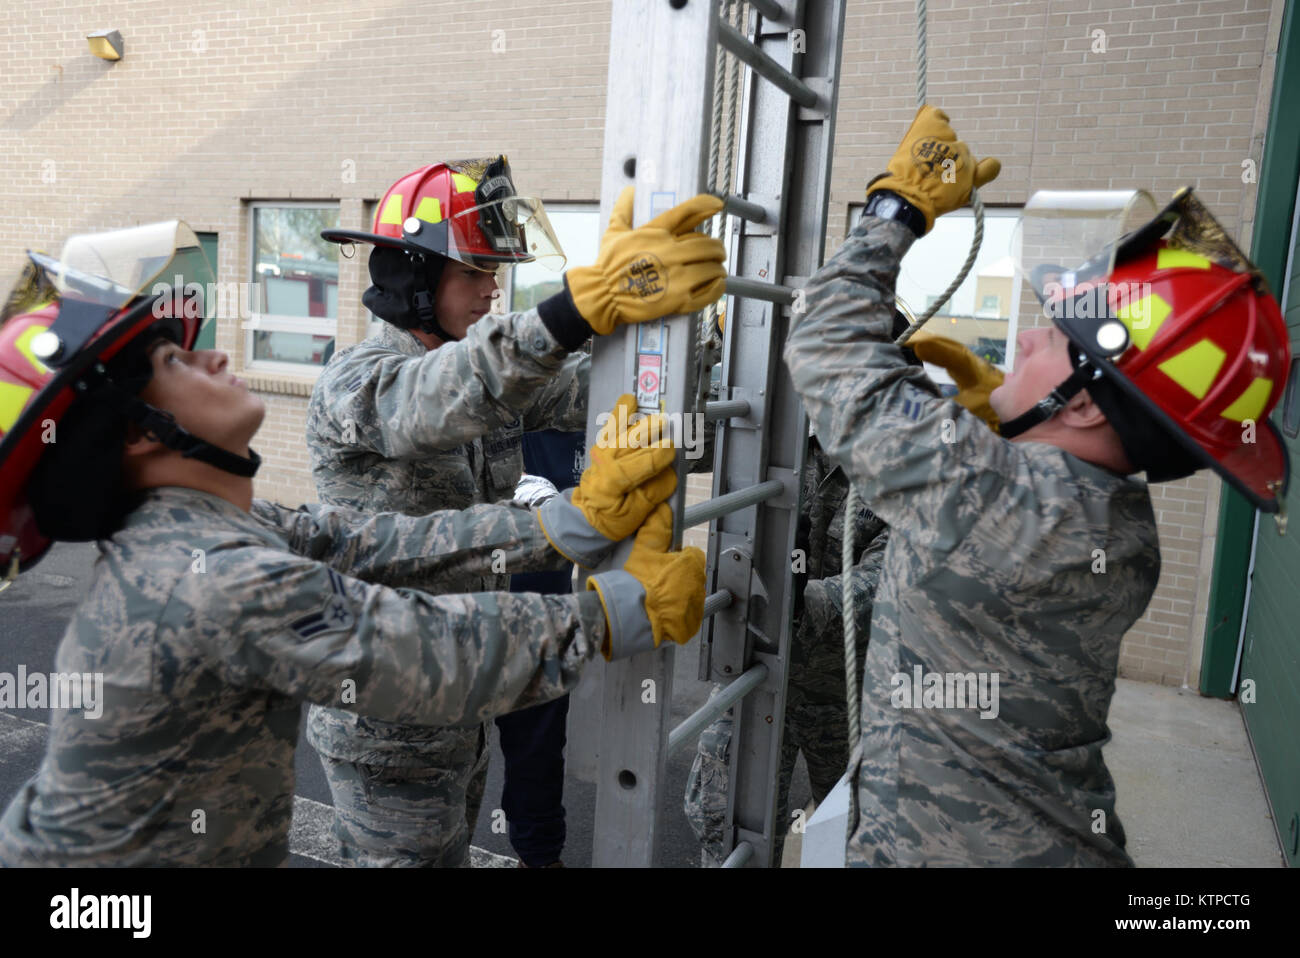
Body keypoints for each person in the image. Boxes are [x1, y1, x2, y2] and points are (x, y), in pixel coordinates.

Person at [0, 220, 706, 866]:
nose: (212, 356)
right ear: (136, 432)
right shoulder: (208, 577)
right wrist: (615, 612)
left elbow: (377, 541)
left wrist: (568, 527)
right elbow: (418, 648)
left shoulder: (205, 530)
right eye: (176, 364)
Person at [785, 105, 1291, 866]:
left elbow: (823, 342)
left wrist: (897, 210)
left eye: (1054, 336)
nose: (1024, 337)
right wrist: (998, 432)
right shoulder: (1119, 526)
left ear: (1084, 401)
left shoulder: (990, 492)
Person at [306, 157, 727, 866]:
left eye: (493, 272)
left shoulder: (493, 377)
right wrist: (573, 309)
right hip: (386, 723)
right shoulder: (360, 383)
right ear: (414, 278)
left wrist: (686, 328)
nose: (491, 287)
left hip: (460, 701)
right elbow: (443, 397)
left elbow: (600, 387)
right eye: (474, 272)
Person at [683, 329, 1003, 866]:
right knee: (721, 815)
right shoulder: (767, 435)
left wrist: (806, 601)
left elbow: (898, 574)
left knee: (868, 834)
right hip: (758, 670)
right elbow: (684, 445)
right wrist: (698, 352)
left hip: (855, 689)